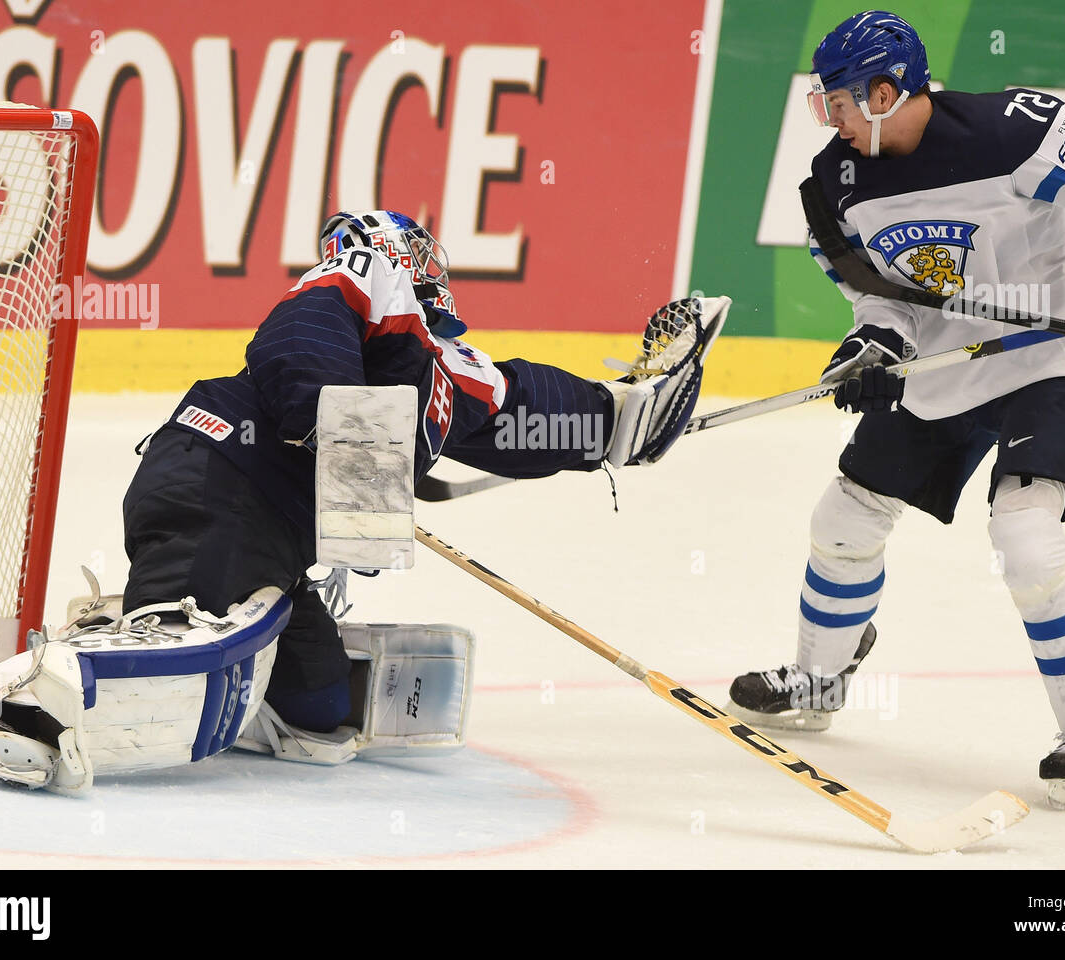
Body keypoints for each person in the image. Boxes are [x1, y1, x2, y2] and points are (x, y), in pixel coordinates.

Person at [726, 11, 1065, 809]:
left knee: (1025, 535)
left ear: (887, 91)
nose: (830, 121)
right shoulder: (836, 185)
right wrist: (871, 348)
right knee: (846, 516)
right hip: (948, 361)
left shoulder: (1011, 131)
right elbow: (878, 295)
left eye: (840, 103)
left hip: (1052, 358)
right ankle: (821, 680)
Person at [122, 210, 723, 743]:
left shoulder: (447, 367)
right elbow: (300, 337)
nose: (430, 269)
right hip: (219, 477)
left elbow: (526, 411)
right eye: (417, 253)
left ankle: (215, 653)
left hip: (271, 535)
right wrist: (353, 460)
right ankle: (49, 700)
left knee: (321, 707)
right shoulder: (367, 275)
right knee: (168, 664)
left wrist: (621, 418)